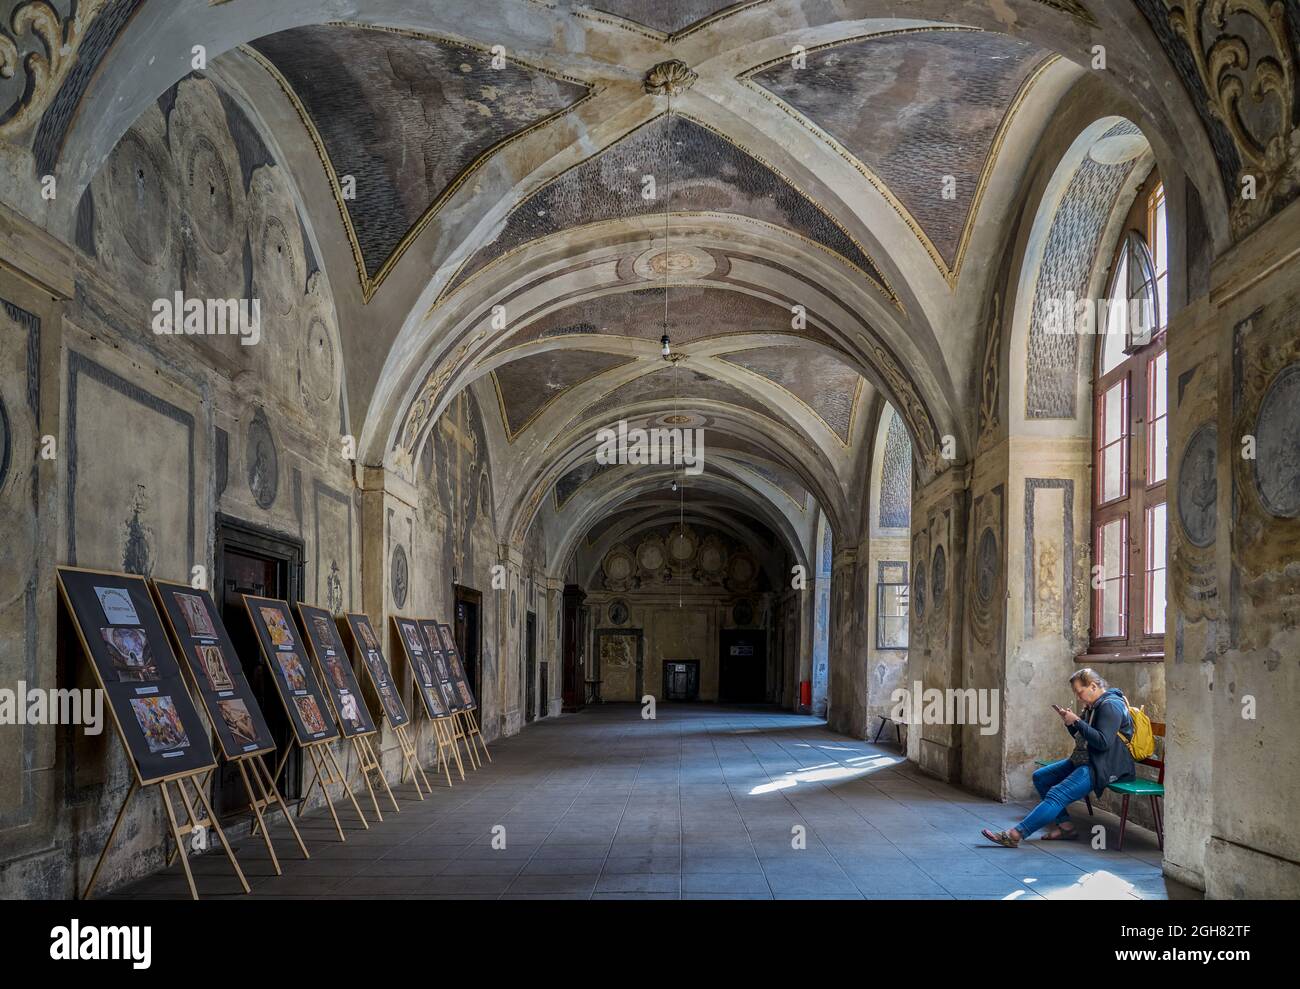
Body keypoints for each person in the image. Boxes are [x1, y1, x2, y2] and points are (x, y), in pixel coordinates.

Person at [981, 668, 1135, 846]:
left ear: (1093, 686)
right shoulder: (1094, 705)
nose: (1078, 697)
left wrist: (1077, 720)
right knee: (1042, 777)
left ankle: (1015, 835)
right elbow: (1085, 737)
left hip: (1105, 766)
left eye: (1080, 692)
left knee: (1057, 794)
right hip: (1088, 759)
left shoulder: (1111, 705)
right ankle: (1066, 827)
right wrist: (1070, 723)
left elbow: (1102, 742)